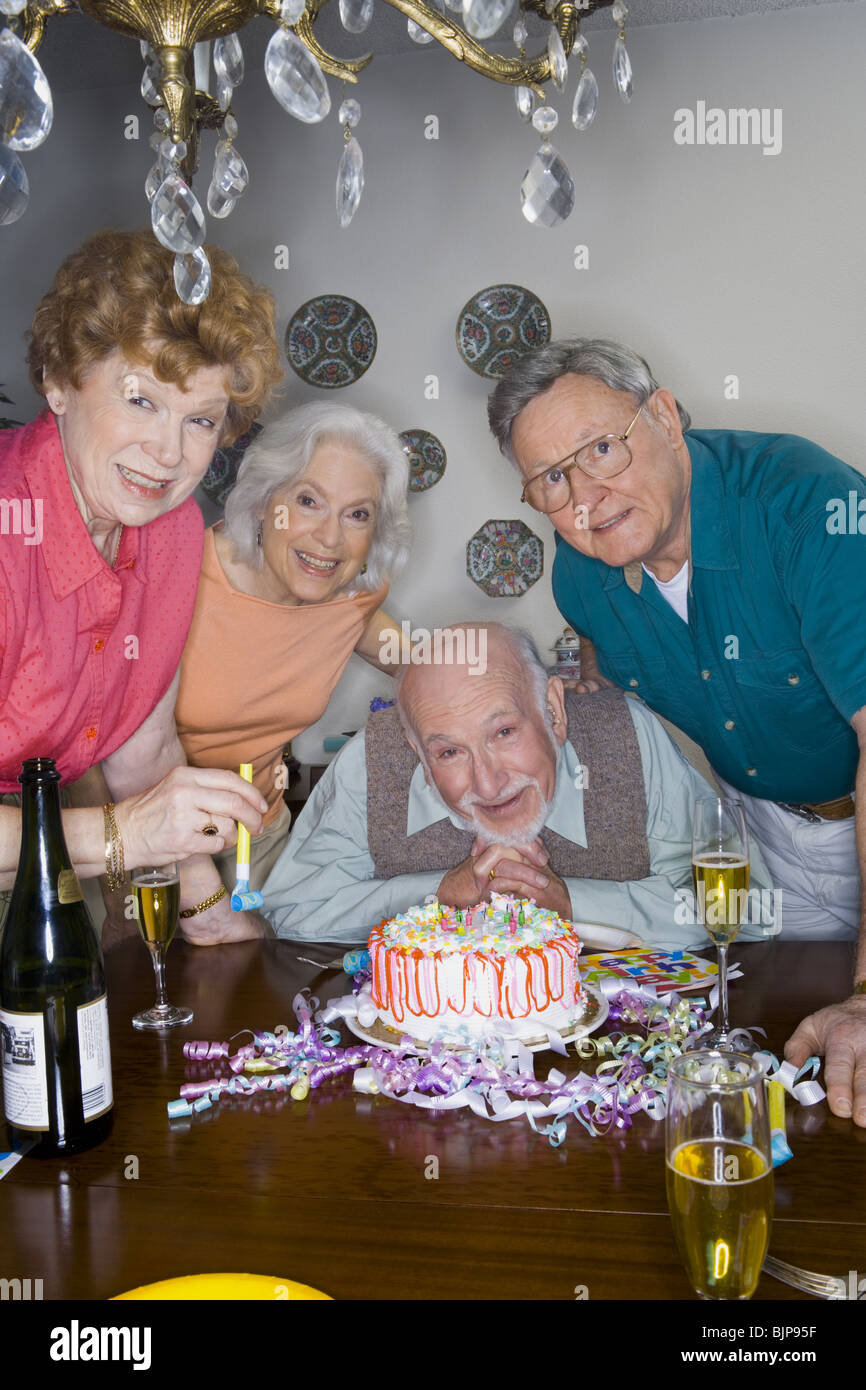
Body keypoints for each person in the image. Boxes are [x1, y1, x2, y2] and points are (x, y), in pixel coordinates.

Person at [487, 336, 866, 1126]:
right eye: (552, 480)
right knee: (787, 1085)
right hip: (761, 841)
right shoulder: (582, 567)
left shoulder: (810, 509)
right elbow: (603, 652)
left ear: (662, 415)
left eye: (601, 449)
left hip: (853, 814)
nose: (584, 496)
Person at [0, 228, 282, 939]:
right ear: (61, 383)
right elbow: (136, 820)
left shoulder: (174, 530)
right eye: (140, 401)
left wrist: (219, 930)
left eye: (200, 421)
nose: (167, 453)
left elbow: (143, 752)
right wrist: (125, 835)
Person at [261, 622, 771, 944]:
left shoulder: (630, 734)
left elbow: (746, 910)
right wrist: (438, 895)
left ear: (553, 710)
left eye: (504, 732)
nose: (489, 782)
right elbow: (293, 908)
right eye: (449, 752)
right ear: (417, 751)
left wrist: (574, 903)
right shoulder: (370, 759)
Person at [173, 401, 412, 922]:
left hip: (260, 840)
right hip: (158, 844)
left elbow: (425, 665)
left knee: (262, 991)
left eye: (357, 514)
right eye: (308, 501)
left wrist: (523, 682)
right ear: (263, 501)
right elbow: (102, 740)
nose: (330, 539)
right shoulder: (184, 574)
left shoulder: (351, 598)